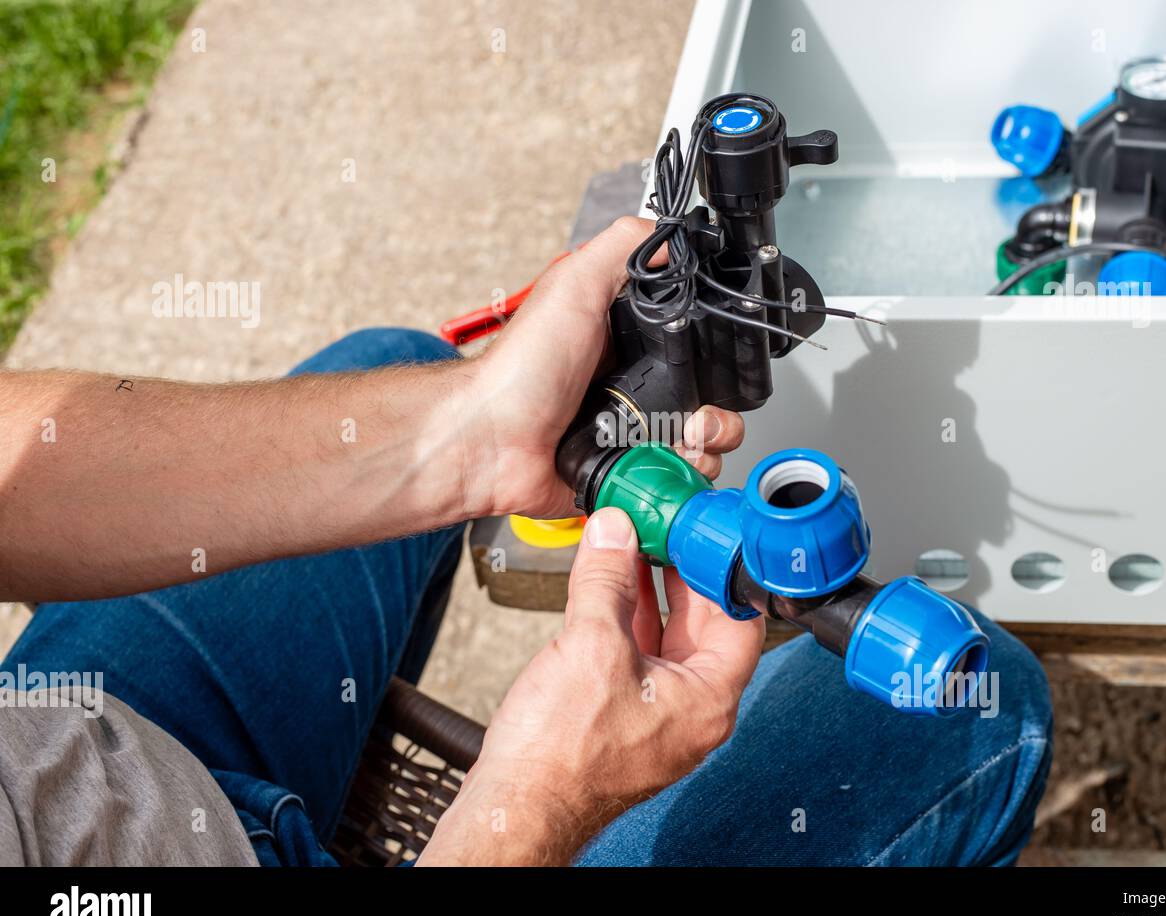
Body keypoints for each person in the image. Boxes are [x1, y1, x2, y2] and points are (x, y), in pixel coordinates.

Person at [0, 217, 1051, 866]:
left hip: (74, 758)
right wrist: (536, 804)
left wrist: (470, 429)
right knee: (976, 702)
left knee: (392, 364)